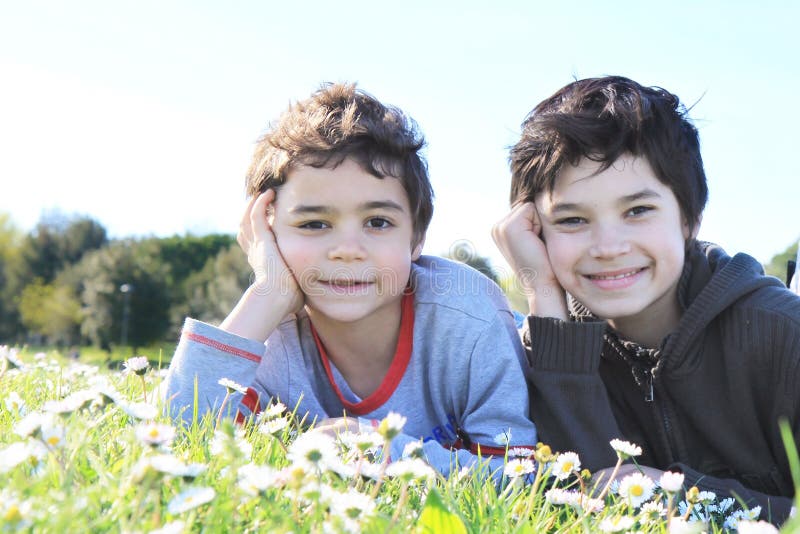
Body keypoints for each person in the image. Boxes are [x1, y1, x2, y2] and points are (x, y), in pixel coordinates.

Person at [164, 82, 537, 477]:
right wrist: (269, 293)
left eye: (377, 222)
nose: (347, 250)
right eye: (314, 223)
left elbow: (519, 473)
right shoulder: (268, 333)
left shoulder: (471, 322)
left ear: (416, 238)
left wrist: (379, 449)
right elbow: (181, 438)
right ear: (266, 234)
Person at [492, 75, 799, 523]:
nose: (608, 247)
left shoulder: (783, 335)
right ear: (535, 232)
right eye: (573, 220)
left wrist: (681, 495)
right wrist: (543, 293)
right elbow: (577, 499)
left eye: (637, 211)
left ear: (690, 218)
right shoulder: (535, 351)